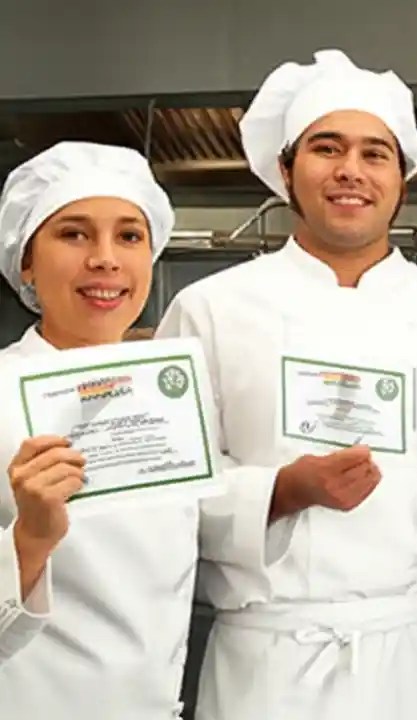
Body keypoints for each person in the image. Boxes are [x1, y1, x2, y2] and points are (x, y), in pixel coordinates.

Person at [155, 49, 417, 720]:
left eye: (376, 153)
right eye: (326, 148)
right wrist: (279, 492)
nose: (350, 171)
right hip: (266, 661)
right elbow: (166, 484)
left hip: (416, 658)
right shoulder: (213, 309)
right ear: (286, 170)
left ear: (403, 177)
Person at [0, 141, 192, 717]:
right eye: (75, 234)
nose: (106, 259)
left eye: (129, 236)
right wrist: (29, 538)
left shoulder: (173, 391)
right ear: (26, 261)